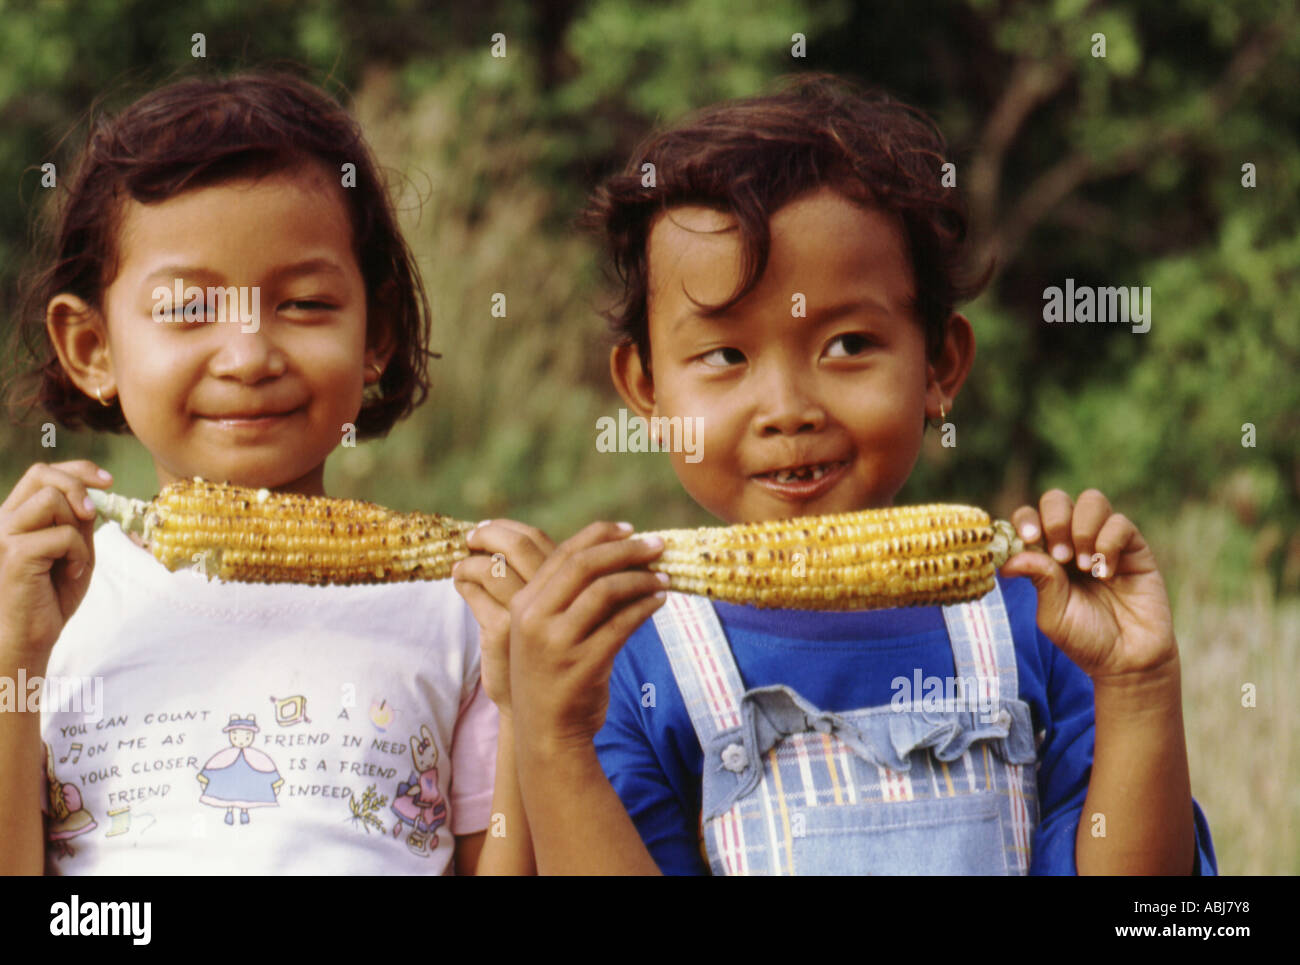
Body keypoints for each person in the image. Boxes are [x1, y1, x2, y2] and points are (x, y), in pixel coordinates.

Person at [454, 74, 1218, 874]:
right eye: (725, 355)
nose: (787, 409)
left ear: (940, 362)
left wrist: (1136, 684)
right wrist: (554, 736)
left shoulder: (1046, 625)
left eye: (848, 345)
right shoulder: (627, 656)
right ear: (646, 390)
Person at [0, 70, 531, 875]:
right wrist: (15, 660)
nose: (248, 356)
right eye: (188, 308)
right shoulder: (42, 606)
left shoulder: (457, 614)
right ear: (92, 349)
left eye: (305, 304)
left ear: (375, 334)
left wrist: (533, 697)